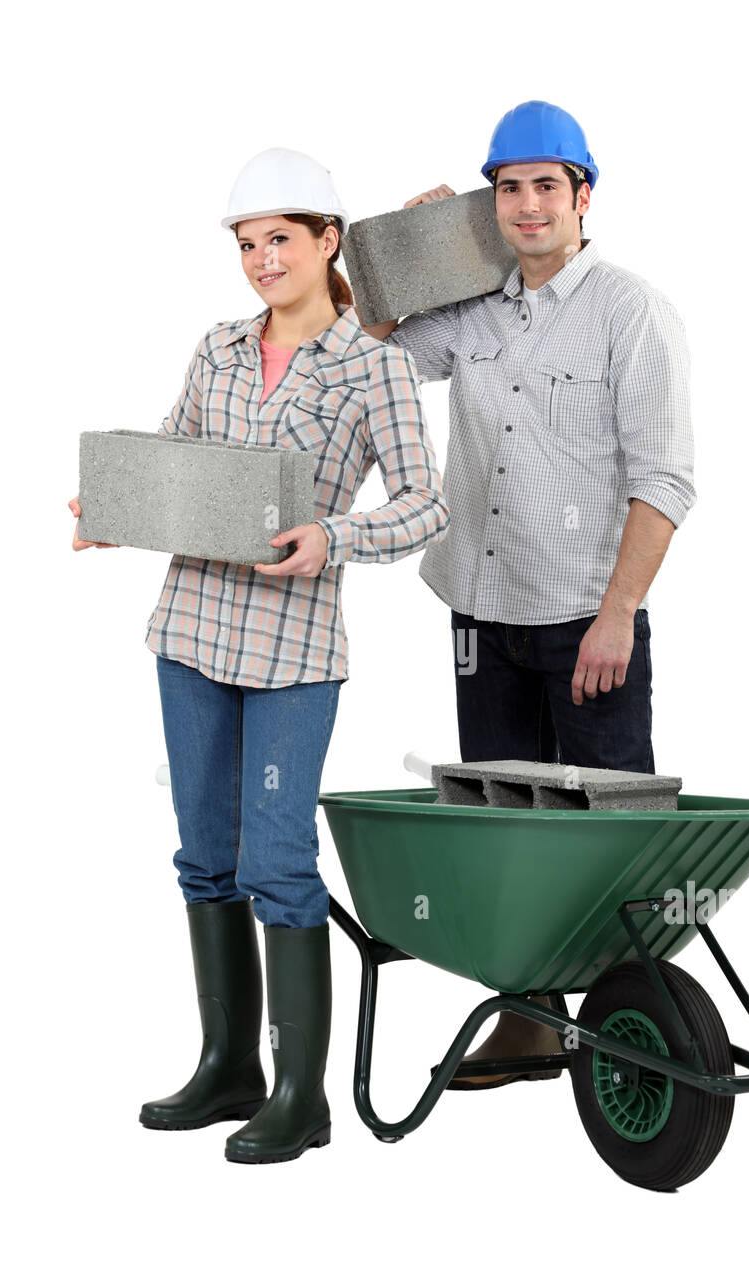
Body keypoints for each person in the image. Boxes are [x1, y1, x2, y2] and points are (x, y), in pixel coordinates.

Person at [70, 147, 448, 1162]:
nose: (261, 259)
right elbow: (172, 451)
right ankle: (227, 1064)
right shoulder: (220, 347)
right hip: (190, 631)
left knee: (277, 862)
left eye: (280, 238)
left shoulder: (374, 367)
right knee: (205, 857)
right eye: (246, 244)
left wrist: (335, 536)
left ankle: (299, 1094)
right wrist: (112, 508)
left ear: (330, 240)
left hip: (291, 651)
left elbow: (424, 500)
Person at [364, 101, 696, 1089]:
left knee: (607, 849)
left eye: (545, 185)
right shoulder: (468, 308)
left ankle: (630, 1032)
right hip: (481, 613)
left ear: (582, 196)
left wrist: (615, 614)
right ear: (491, 201)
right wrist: (404, 249)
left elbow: (664, 479)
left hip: (582, 621)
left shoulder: (628, 310)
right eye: (506, 188)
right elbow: (366, 352)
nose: (525, 205)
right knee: (504, 832)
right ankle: (527, 1021)